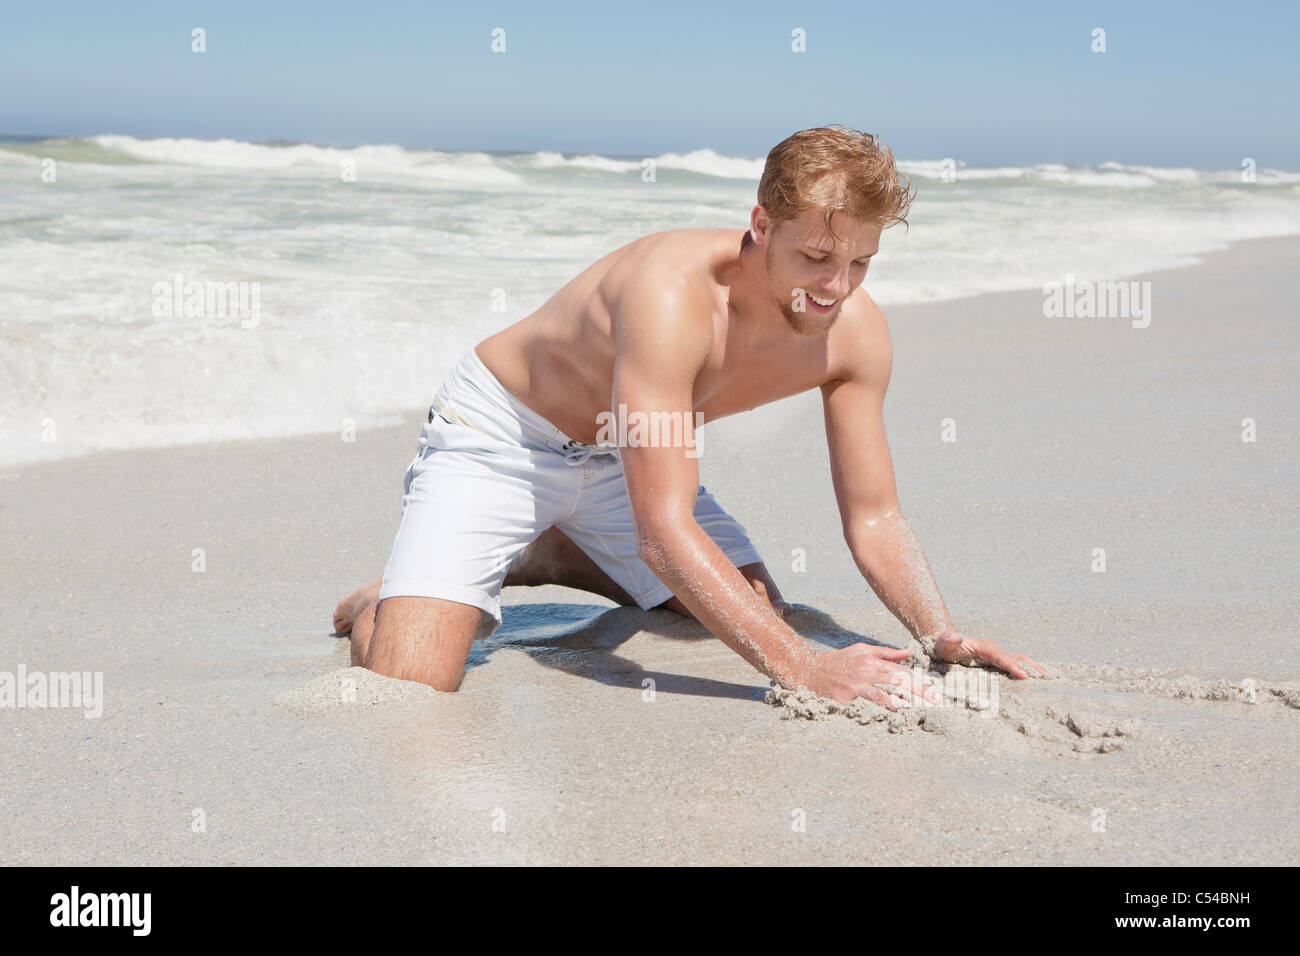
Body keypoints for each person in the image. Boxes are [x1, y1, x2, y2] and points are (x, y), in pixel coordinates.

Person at [333, 126, 1044, 707]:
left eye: (861, 262)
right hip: (507, 438)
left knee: (755, 603)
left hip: (624, 457)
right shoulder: (671, 298)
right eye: (817, 256)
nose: (836, 287)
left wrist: (940, 635)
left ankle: (544, 550)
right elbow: (663, 531)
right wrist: (804, 668)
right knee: (414, 687)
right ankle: (394, 598)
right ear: (762, 225)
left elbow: (875, 518)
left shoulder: (854, 335)